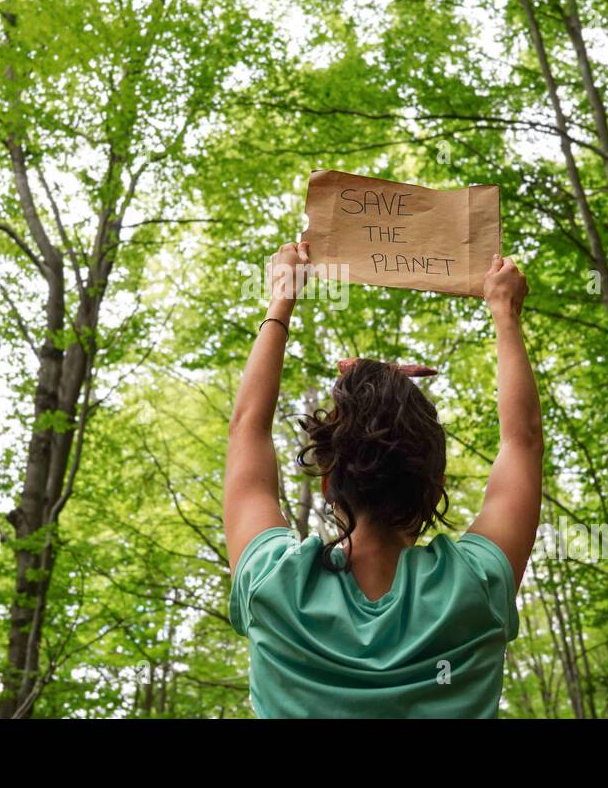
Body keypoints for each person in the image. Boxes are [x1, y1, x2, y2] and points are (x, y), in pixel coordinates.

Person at [224, 239, 543, 717]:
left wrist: (281, 299)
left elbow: (247, 428)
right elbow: (524, 442)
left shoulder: (274, 584)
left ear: (329, 485)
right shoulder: (474, 587)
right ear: (434, 489)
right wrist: (505, 314)